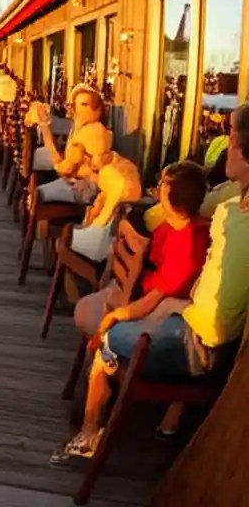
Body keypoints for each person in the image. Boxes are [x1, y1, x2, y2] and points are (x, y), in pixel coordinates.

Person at [53, 102, 249, 464]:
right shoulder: (226, 209)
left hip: (201, 343)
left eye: (233, 138)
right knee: (125, 324)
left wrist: (130, 313)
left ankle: (90, 432)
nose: (226, 142)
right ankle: (158, 421)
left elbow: (215, 320)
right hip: (188, 316)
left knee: (108, 343)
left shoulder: (226, 219)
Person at [72, 161, 209, 336]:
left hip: (147, 305)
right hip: (135, 287)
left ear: (168, 194)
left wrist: (116, 315)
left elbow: (152, 300)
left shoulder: (188, 246)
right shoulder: (177, 225)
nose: (157, 188)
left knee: (84, 313)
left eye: (162, 184)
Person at [33, 84, 113, 206]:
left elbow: (65, 169)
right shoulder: (83, 128)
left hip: (86, 189)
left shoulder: (91, 132)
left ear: (97, 110)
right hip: (80, 182)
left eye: (85, 105)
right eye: (77, 104)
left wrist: (47, 135)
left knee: (36, 194)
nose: (78, 110)